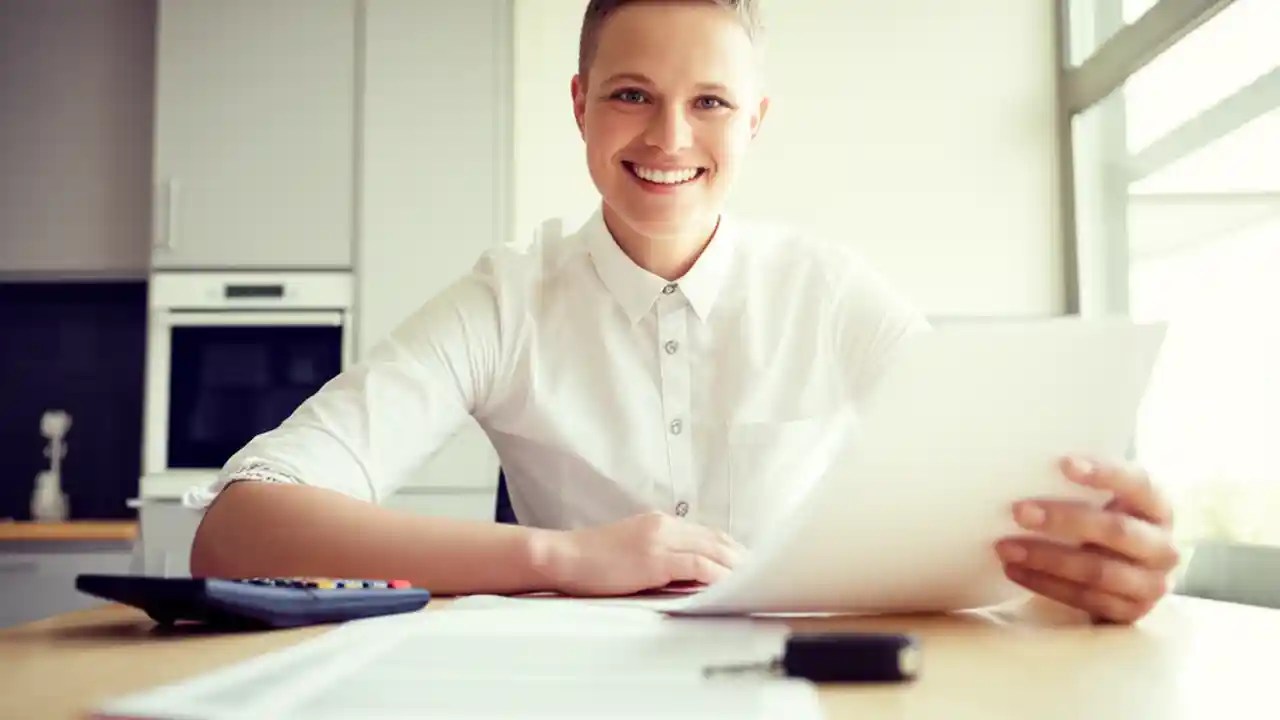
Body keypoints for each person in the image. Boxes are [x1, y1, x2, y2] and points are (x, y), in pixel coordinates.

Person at [188, 0, 1179, 624]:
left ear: (754, 119)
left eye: (709, 101)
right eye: (630, 93)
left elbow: (988, 488)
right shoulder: (506, 298)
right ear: (578, 104)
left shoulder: (826, 291)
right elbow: (236, 529)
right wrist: (562, 559)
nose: (668, 136)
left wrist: (1100, 561)